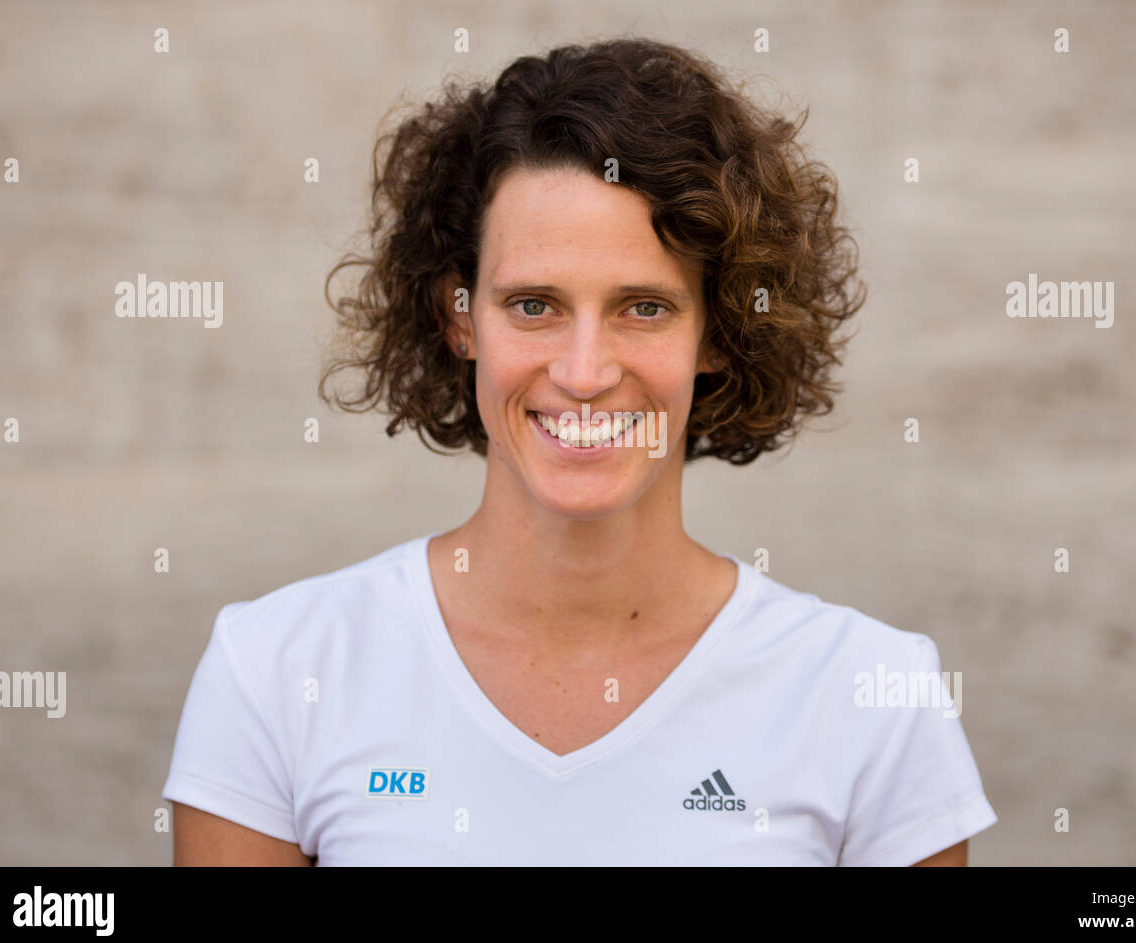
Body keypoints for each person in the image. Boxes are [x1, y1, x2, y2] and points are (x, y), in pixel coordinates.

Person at [162, 36, 996, 865]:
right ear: (459, 318)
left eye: (643, 307)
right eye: (534, 305)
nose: (585, 372)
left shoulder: (871, 694)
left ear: (718, 329)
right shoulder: (277, 671)